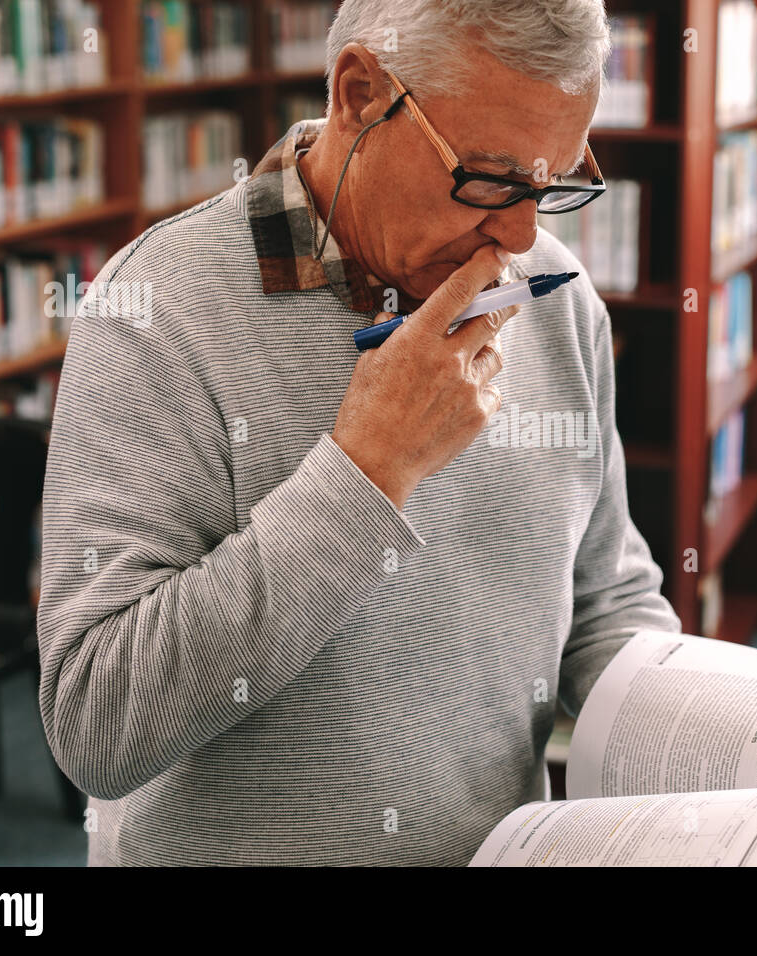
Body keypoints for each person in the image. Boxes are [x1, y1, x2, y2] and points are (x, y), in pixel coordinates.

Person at [36, 0, 679, 865]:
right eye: (490, 182)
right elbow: (97, 726)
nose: (523, 236)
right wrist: (367, 470)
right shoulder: (155, 312)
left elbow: (607, 595)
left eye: (555, 181)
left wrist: (694, 732)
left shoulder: (557, 298)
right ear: (361, 93)